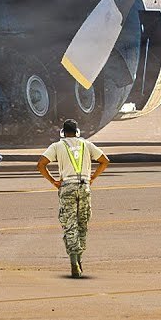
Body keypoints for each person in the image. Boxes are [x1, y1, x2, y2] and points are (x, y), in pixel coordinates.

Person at [37, 119, 109, 278]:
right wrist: (92, 178)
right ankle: (80, 259)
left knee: (70, 225)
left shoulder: (57, 146)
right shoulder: (86, 144)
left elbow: (41, 164)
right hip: (84, 186)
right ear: (77, 132)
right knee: (82, 223)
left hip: (67, 186)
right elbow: (105, 161)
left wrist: (54, 181)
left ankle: (73, 261)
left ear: (63, 132)